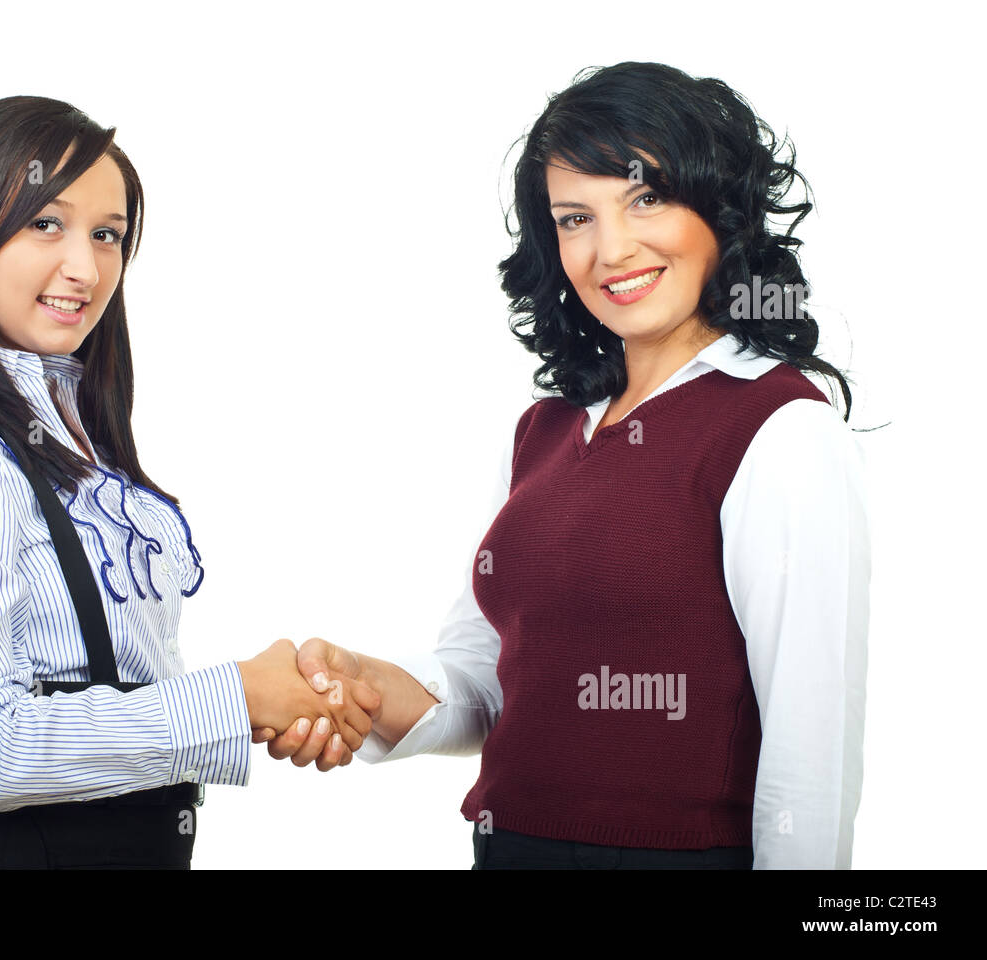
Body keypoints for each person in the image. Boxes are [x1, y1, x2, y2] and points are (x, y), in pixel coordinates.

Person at [257, 61, 872, 870]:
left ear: (718, 206)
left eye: (646, 197)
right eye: (576, 217)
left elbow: (811, 751)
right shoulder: (544, 434)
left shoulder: (778, 426)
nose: (612, 249)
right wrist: (359, 683)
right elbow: (484, 684)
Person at [0, 95, 377, 870]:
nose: (86, 268)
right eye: (45, 224)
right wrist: (239, 699)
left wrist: (270, 704)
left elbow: (114, 688)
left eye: (108, 235)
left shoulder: (60, 417)